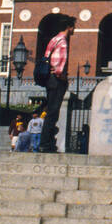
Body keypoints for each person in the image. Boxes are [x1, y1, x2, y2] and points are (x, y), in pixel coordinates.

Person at [42, 19, 75, 152]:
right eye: (73, 27)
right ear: (68, 27)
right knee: (53, 112)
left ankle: (47, 141)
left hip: (49, 79)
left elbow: (46, 56)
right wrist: (62, 77)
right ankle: (46, 143)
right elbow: (59, 65)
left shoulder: (53, 39)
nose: (74, 30)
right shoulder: (62, 42)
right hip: (56, 80)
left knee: (50, 110)